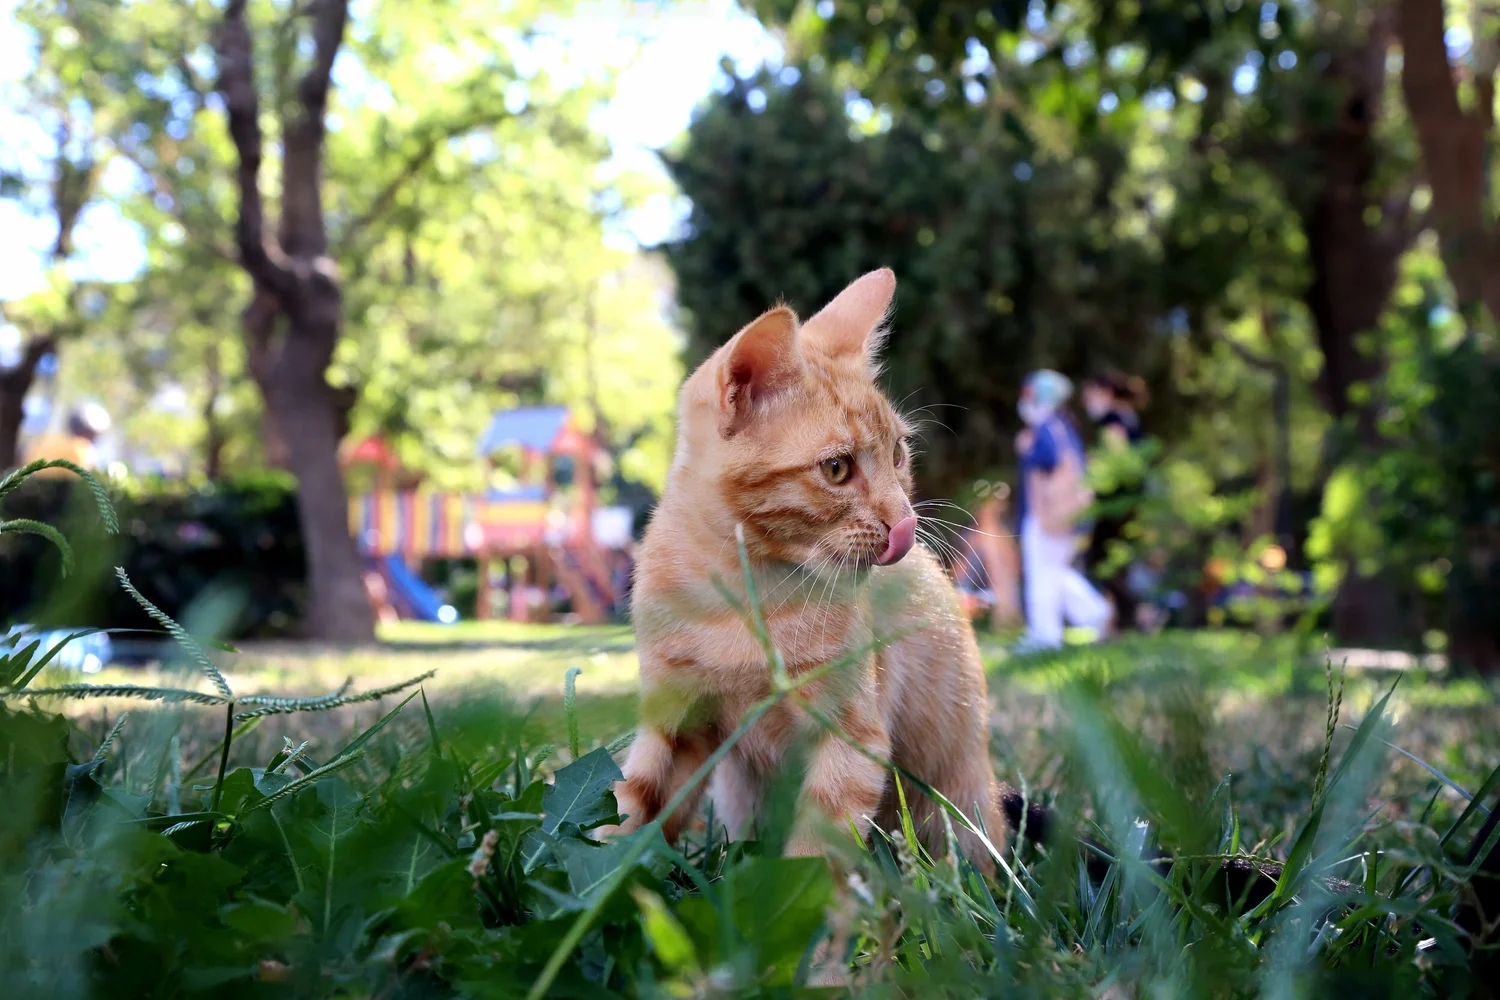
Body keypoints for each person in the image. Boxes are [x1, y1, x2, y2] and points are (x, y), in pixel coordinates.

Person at [1015, 370, 1112, 650]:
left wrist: (1044, 514)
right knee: (1055, 573)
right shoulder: (1066, 426)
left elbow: (1047, 468)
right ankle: (1095, 613)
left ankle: (1044, 638)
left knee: (1042, 575)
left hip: (1047, 516)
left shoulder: (1046, 429)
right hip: (1068, 517)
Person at [1081, 370, 1149, 628]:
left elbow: (1116, 464)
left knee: (1100, 563)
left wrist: (1091, 467)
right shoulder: (1129, 417)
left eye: (1089, 396)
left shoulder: (1112, 421)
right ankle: (1125, 619)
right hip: (1131, 504)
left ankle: (1132, 615)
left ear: (1104, 393)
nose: (1088, 403)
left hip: (1114, 507)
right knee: (1118, 565)